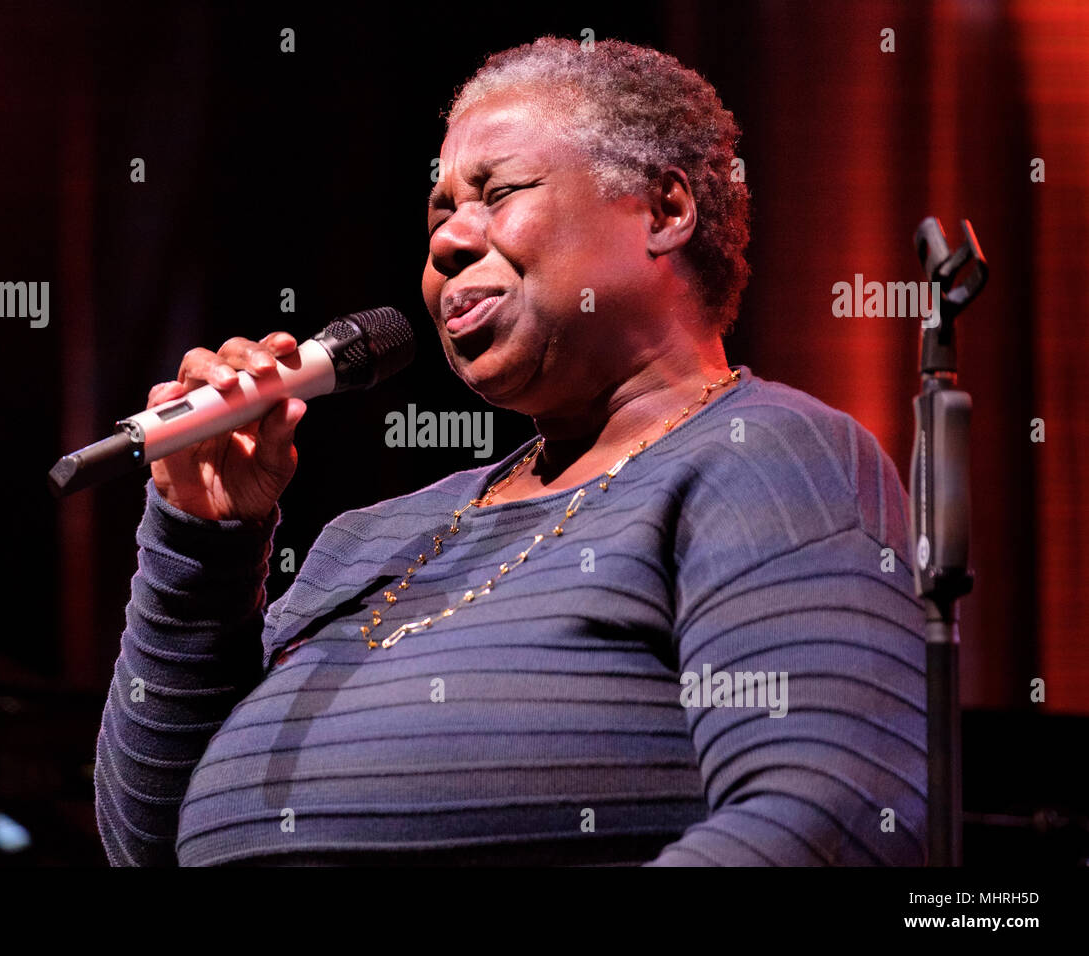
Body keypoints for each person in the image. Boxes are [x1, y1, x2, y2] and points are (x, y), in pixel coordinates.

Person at [94, 36, 927, 866]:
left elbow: (825, 821)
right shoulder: (367, 540)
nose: (446, 244)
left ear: (666, 212)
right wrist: (202, 544)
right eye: (438, 214)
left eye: (497, 194)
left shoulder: (766, 458)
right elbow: (149, 844)